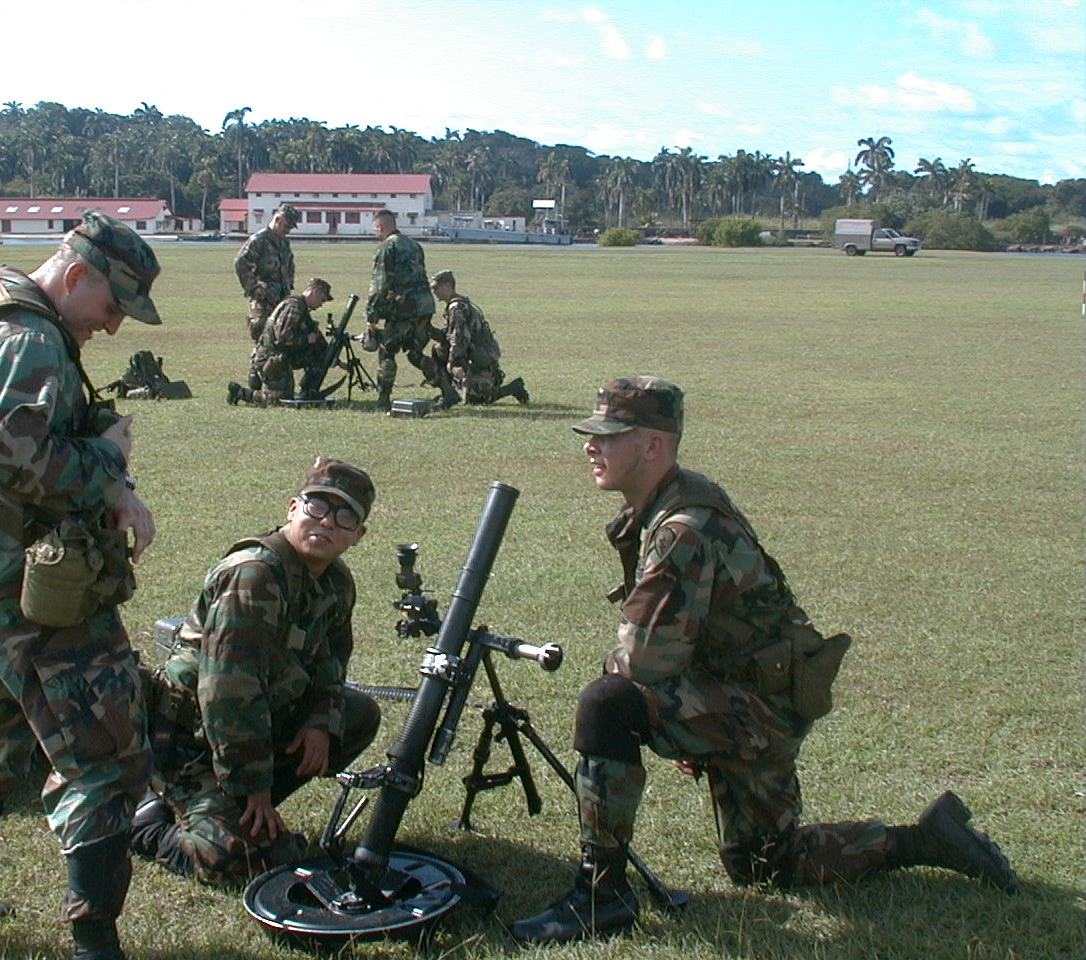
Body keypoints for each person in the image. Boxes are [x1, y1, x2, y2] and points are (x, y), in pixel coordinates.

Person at [511, 377, 1020, 944]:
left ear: (652, 446)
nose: (591, 446)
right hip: (750, 696)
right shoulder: (675, 498)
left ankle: (600, 894)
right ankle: (924, 840)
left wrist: (685, 716)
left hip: (759, 710)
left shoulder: (683, 528)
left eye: (609, 436)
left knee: (608, 702)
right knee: (763, 867)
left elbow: (642, 665)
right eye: (593, 436)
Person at [0, 211, 161, 960]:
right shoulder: (30, 335)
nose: (114, 327)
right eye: (113, 306)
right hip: (27, 584)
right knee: (101, 754)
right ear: (77, 273)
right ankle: (95, 944)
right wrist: (106, 462)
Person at [132, 458, 382, 885]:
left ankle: (236, 811)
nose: (326, 523)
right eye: (316, 508)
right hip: (186, 741)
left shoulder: (335, 582)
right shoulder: (256, 576)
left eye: (344, 517)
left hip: (253, 724)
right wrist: (254, 786)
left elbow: (331, 663)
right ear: (292, 509)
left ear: (358, 536)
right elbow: (227, 691)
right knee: (249, 861)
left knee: (355, 717)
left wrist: (320, 721)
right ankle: (148, 822)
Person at [363, 209, 455, 412]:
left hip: (403, 309)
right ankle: (448, 391)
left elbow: (379, 285)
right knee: (414, 353)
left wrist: (372, 316)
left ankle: (383, 400)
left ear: (380, 227)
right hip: (424, 306)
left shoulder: (386, 247)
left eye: (375, 230)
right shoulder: (414, 245)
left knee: (387, 350)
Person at [428, 270, 529, 407]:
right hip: (472, 356)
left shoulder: (457, 308)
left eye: (436, 287)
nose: (434, 291)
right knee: (438, 349)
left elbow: (459, 340)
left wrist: (452, 362)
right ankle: (450, 391)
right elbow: (448, 337)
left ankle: (512, 388)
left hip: (480, 359)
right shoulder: (456, 306)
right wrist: (428, 329)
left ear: (447, 286)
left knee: (476, 400)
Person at [227, 277, 333, 406]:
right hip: (271, 358)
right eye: (322, 299)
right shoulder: (294, 307)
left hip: (280, 356)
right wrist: (307, 339)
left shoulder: (301, 307)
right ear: (315, 292)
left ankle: (308, 391)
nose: (321, 304)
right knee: (278, 401)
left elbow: (317, 340)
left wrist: (335, 360)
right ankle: (240, 393)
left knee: (317, 354)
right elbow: (282, 338)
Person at [234, 204, 299, 386]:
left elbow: (289, 266)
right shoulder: (259, 240)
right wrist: (253, 287)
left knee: (277, 340)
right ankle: (255, 380)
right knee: (261, 339)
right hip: (263, 302)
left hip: (280, 300)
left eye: (290, 228)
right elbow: (241, 263)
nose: (287, 231)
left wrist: (288, 287)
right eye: (286, 226)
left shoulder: (283, 243)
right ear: (277, 220)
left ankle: (273, 379)